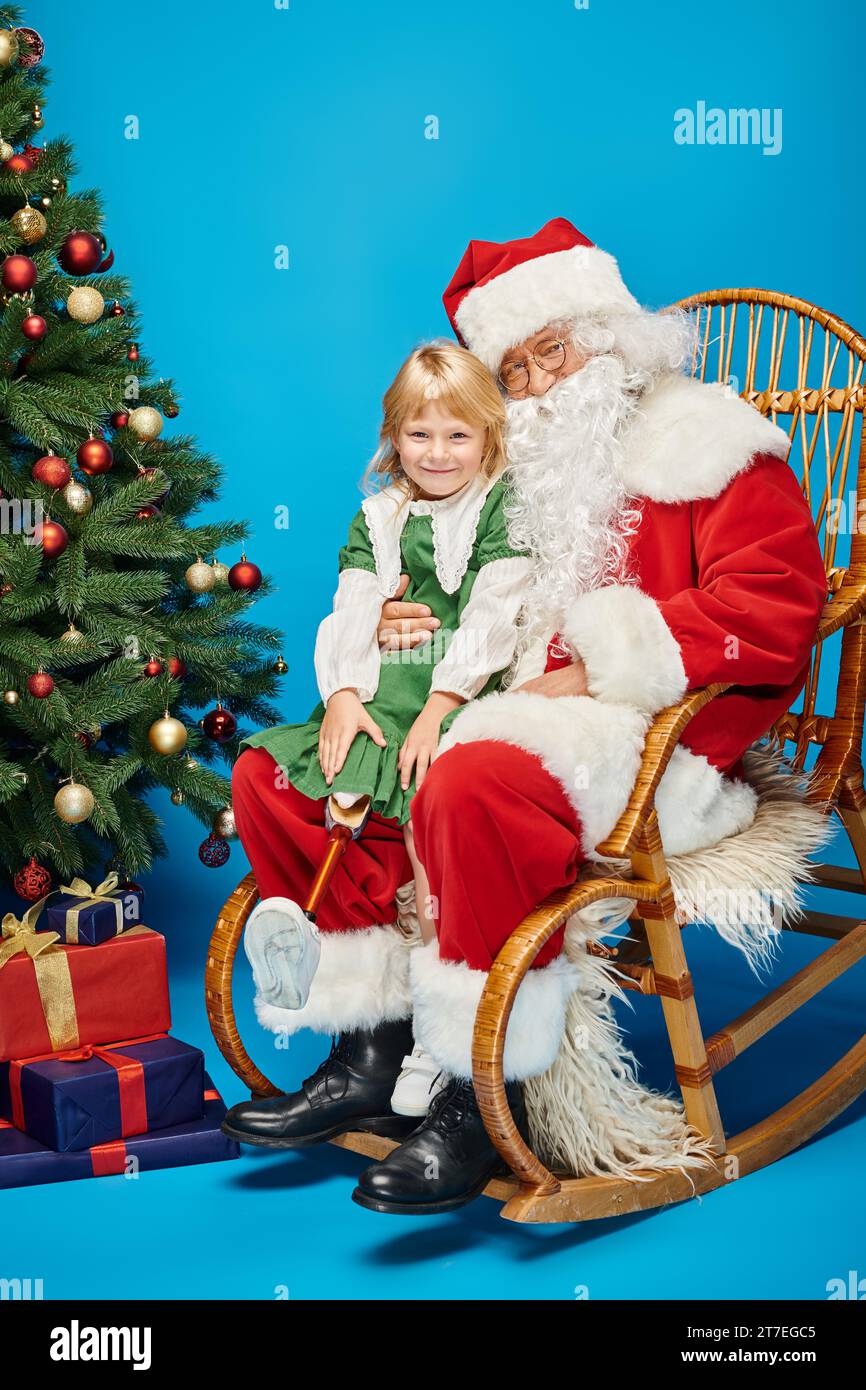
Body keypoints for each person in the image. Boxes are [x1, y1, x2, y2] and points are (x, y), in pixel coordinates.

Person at [225, 217, 828, 1215]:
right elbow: (463, 597)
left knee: (471, 779)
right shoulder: (503, 471)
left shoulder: (710, 442)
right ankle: (370, 1046)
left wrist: (598, 664)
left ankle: (476, 1090)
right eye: (515, 368)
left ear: (608, 334)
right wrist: (397, 629)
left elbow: (773, 610)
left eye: (553, 351)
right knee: (279, 777)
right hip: (483, 702)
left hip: (645, 736)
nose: (541, 383)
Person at [230, 340, 532, 1129]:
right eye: (419, 434)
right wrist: (341, 694)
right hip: (382, 693)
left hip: (460, 691)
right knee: (271, 776)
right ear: (393, 435)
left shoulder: (500, 505)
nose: (437, 453)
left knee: (431, 805)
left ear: (489, 437)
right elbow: (355, 605)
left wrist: (441, 705)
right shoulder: (381, 515)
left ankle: (437, 1029)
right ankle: (357, 997)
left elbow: (494, 615)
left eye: (458, 435)